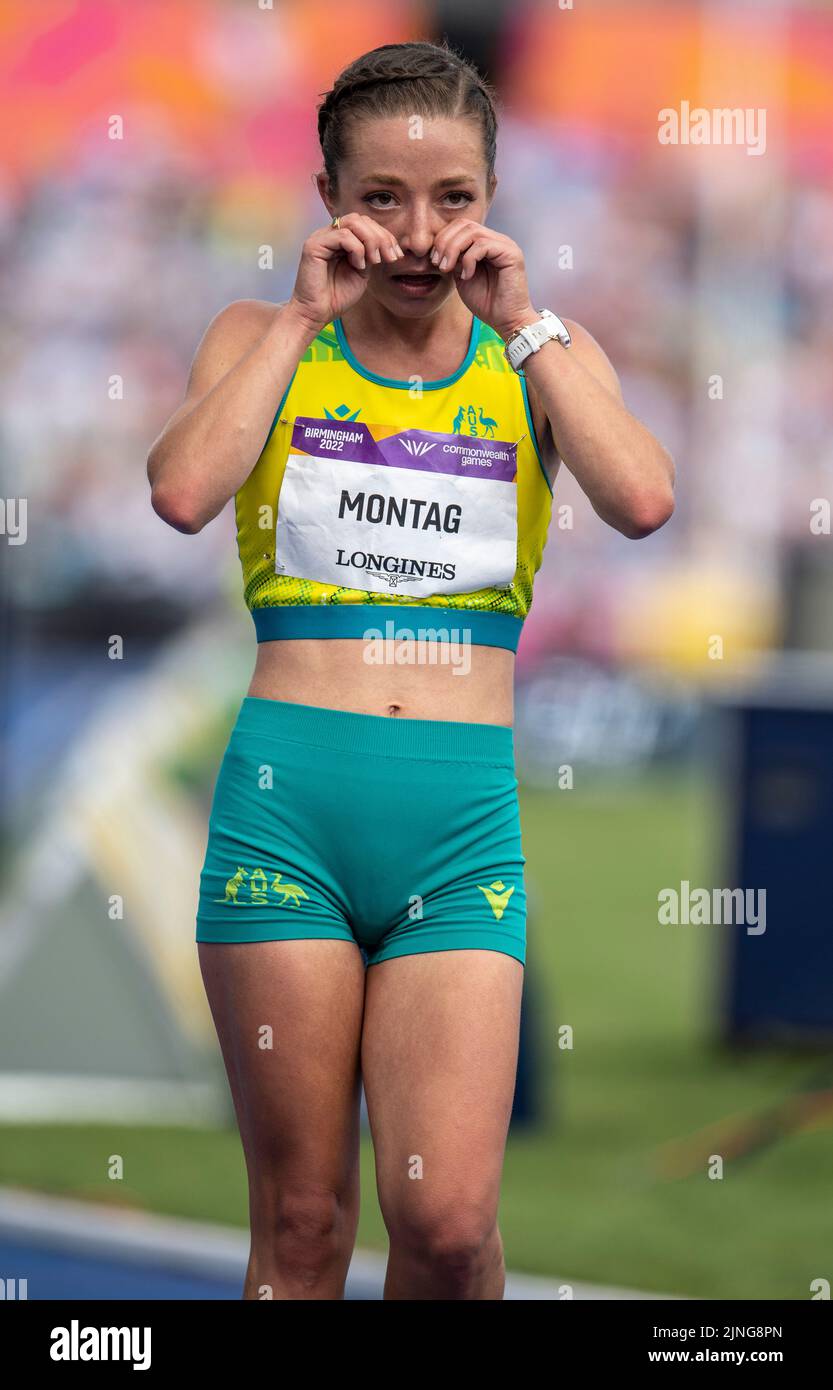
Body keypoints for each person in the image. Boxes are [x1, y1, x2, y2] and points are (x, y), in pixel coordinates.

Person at [147, 39, 674, 1301]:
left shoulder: (537, 355)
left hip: (455, 830)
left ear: (491, 203)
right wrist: (296, 315)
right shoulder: (261, 335)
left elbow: (644, 498)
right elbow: (179, 491)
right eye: (381, 195)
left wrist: (530, 327)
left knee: (443, 1222)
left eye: (452, 198)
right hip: (287, 819)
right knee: (306, 1222)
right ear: (329, 195)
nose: (420, 230)